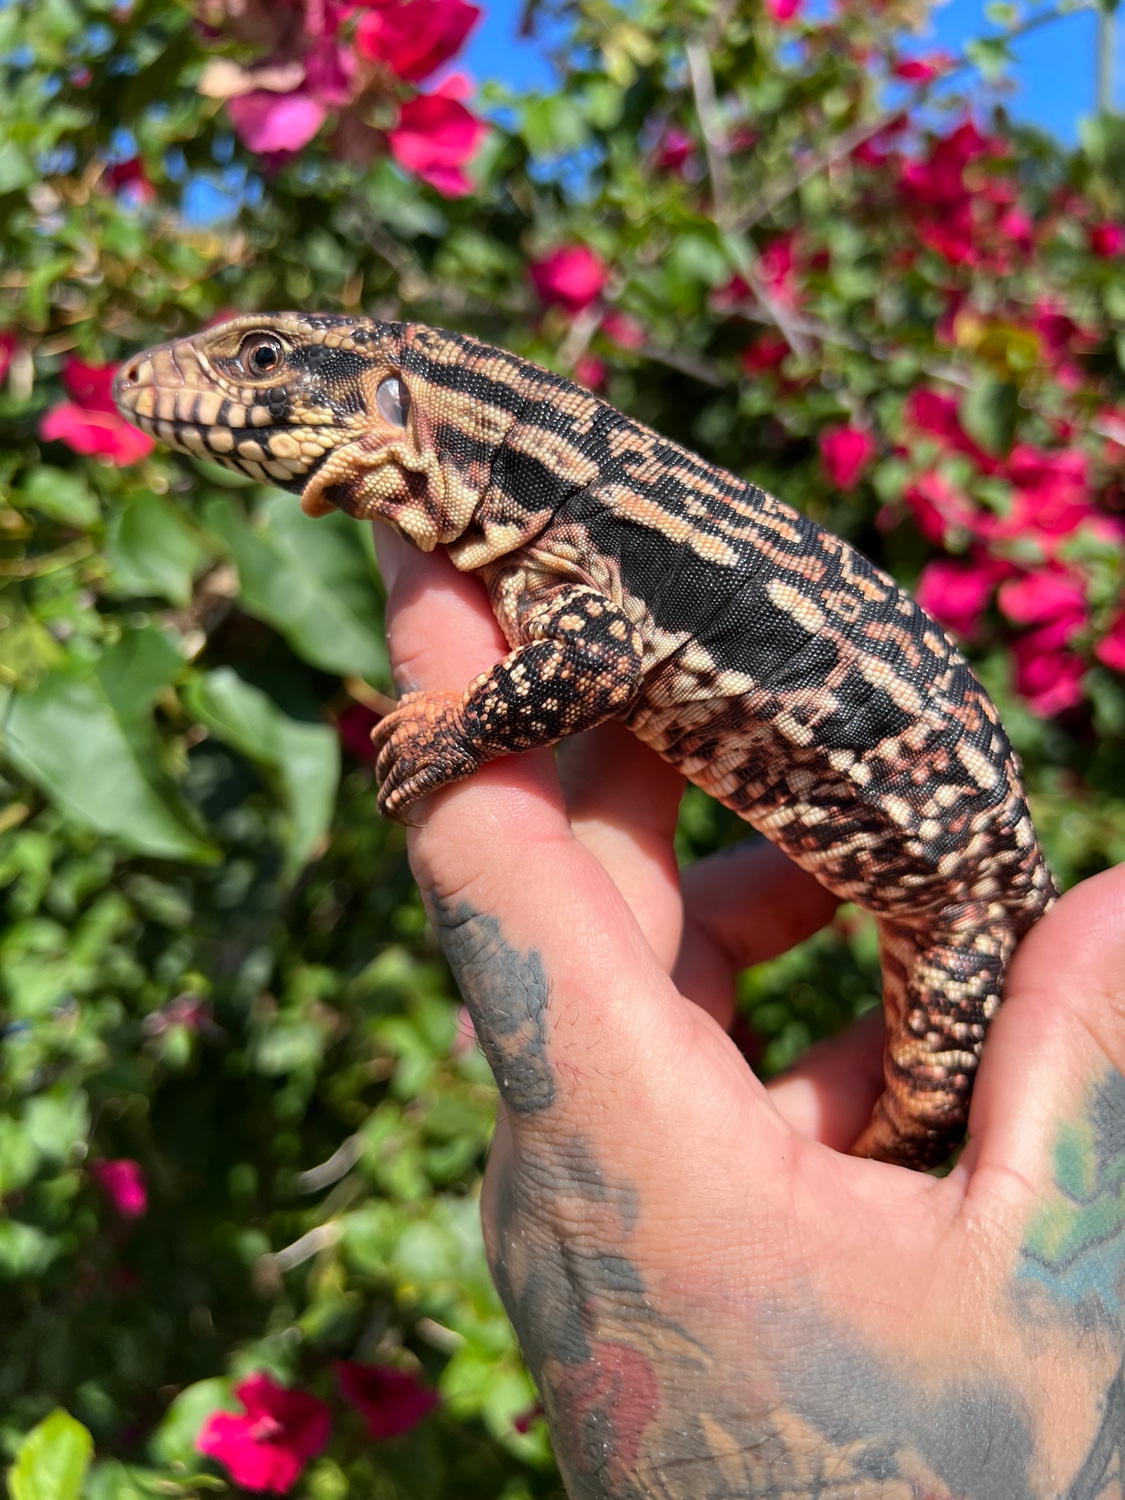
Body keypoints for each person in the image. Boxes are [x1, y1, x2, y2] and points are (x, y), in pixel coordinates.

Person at [373, 522, 1125, 1499]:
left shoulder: (575, 535)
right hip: (939, 861)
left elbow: (594, 657)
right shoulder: (571, 531)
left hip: (966, 907)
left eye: (261, 357)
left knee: (924, 1119)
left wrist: (470, 731)